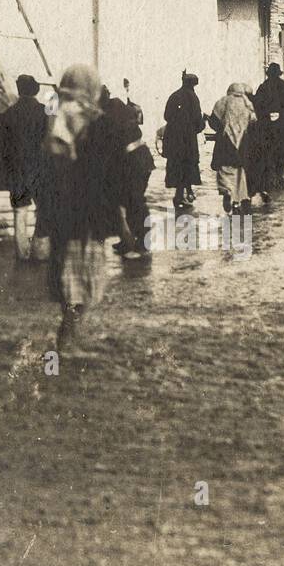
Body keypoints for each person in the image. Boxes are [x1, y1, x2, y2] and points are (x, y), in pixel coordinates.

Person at [39, 64, 130, 351]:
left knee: (71, 280)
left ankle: (69, 335)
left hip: (64, 214)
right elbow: (97, 172)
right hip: (83, 213)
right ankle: (67, 339)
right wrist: (118, 217)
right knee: (80, 280)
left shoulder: (57, 116)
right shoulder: (85, 119)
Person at [0, 74, 48, 261]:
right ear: (35, 90)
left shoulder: (8, 115)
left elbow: (3, 148)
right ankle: (40, 251)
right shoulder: (45, 113)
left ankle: (22, 254)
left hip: (17, 171)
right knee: (43, 210)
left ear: (19, 90)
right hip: (40, 170)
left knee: (20, 212)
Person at [101, 89, 155, 255]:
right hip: (141, 158)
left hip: (133, 161)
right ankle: (130, 239)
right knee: (129, 200)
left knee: (133, 201)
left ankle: (141, 241)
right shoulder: (119, 106)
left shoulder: (107, 114)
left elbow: (109, 145)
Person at [208, 83, 258, 213]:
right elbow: (253, 122)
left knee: (224, 169)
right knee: (239, 171)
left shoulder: (223, 101)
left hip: (225, 141)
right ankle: (236, 201)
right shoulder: (247, 103)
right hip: (242, 142)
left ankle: (226, 191)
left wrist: (221, 128)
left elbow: (213, 121)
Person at [252, 62, 284, 200]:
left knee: (268, 149)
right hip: (282, 123)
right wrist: (282, 113)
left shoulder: (263, 87)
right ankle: (279, 174)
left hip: (266, 125)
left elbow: (257, 104)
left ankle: (270, 176)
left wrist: (266, 115)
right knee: (282, 148)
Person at [162, 72, 204, 211]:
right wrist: (197, 127)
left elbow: (166, 115)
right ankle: (180, 197)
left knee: (177, 165)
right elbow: (198, 120)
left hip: (173, 138)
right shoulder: (193, 97)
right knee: (187, 166)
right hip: (188, 140)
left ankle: (182, 195)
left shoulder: (174, 96)